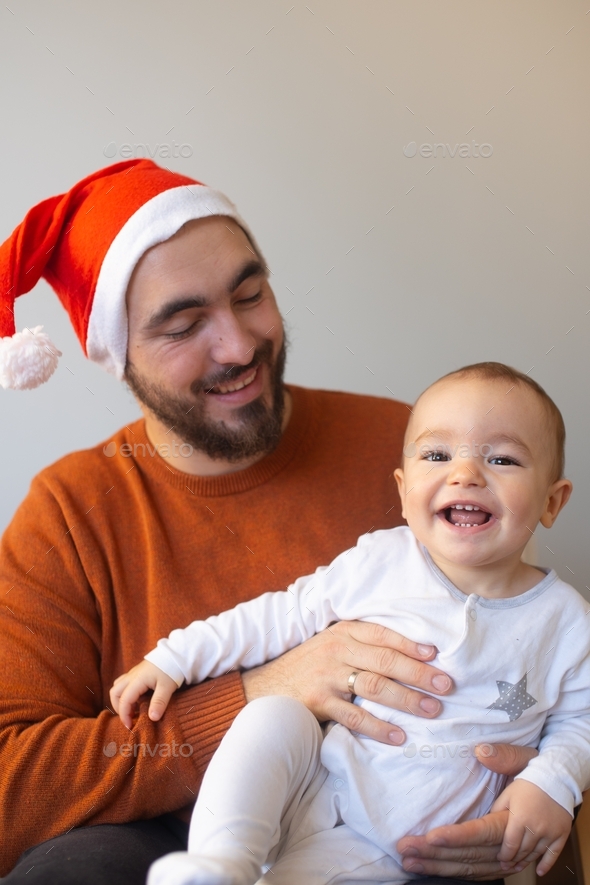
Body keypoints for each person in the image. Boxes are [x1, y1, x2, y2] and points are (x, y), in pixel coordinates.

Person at [0, 159, 532, 885]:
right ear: (118, 355)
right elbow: (12, 785)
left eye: (250, 294)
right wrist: (258, 691)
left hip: (392, 834)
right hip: (166, 845)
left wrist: (537, 776)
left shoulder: (410, 453)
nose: (240, 345)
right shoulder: (71, 512)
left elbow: (529, 646)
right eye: (185, 325)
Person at [110, 362, 590, 885]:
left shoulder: (565, 620)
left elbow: (581, 724)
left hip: (396, 838)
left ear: (551, 501)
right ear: (405, 493)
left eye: (502, 458)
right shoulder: (381, 561)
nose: (466, 474)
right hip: (317, 777)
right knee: (273, 716)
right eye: (437, 455)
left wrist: (552, 785)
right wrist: (177, 656)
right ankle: (222, 861)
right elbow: (281, 614)